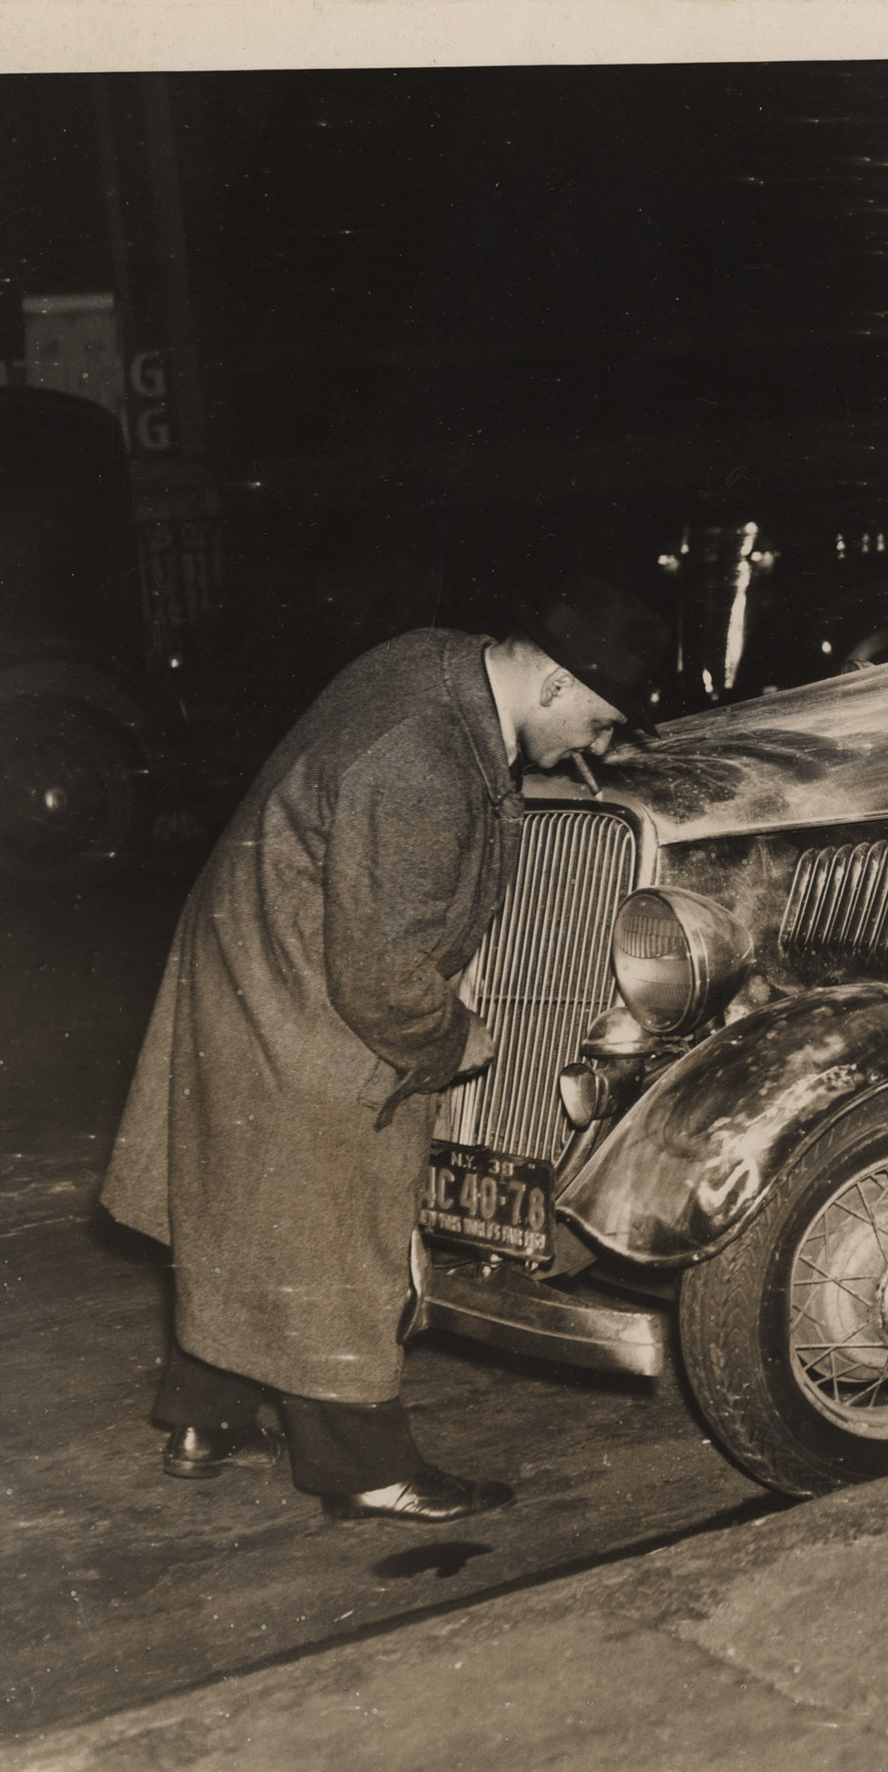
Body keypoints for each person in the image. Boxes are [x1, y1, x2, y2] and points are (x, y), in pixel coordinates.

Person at [102, 576, 668, 1524]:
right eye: (603, 723)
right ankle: (365, 1469)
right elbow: (378, 976)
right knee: (341, 1218)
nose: (598, 751)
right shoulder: (423, 759)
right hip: (300, 986)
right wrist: (453, 1039)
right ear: (557, 684)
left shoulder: (435, 661)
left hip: (251, 948)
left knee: (246, 1202)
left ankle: (204, 1417)